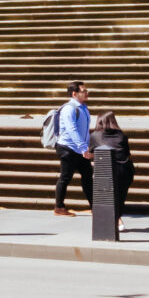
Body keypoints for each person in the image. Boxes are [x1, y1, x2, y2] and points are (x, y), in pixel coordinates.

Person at [47, 81, 94, 216]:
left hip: (80, 149)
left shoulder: (83, 107)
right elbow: (72, 129)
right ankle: (59, 207)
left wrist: (86, 147)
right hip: (68, 148)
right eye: (83, 91)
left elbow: (84, 130)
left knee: (87, 177)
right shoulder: (69, 108)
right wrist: (84, 148)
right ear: (74, 94)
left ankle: (94, 206)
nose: (87, 93)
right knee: (65, 177)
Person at [95, 110, 135, 210]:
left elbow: (90, 152)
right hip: (124, 169)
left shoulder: (95, 135)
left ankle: (115, 217)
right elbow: (127, 153)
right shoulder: (121, 135)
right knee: (121, 194)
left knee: (109, 194)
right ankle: (118, 216)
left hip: (106, 170)